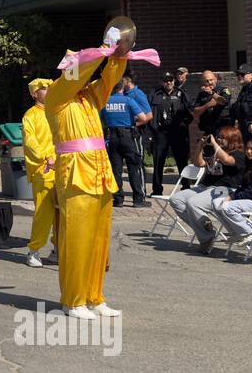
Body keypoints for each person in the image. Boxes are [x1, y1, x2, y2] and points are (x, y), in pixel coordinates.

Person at [45, 24, 154, 320]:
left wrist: (118, 54)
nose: (85, 76)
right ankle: (73, 300)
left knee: (98, 240)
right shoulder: (56, 97)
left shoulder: (90, 97)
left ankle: (95, 296)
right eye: (79, 70)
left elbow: (110, 79)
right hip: (75, 172)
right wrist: (98, 53)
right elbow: (73, 77)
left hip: (99, 172)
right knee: (77, 239)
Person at [168, 125, 246, 250]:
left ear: (233, 139)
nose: (219, 139)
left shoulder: (239, 154)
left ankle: (206, 238)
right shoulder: (214, 152)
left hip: (225, 190)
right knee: (176, 199)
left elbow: (227, 160)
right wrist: (200, 146)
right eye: (218, 137)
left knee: (193, 203)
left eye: (222, 137)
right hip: (205, 187)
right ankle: (205, 226)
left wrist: (215, 144)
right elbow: (198, 163)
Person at [21, 77, 57, 267]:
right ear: (35, 94)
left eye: (50, 87)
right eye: (44, 88)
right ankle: (34, 251)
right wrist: (46, 157)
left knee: (62, 212)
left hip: (61, 168)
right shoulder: (31, 115)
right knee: (44, 212)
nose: (49, 90)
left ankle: (57, 248)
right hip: (43, 170)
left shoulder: (57, 111)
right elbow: (30, 143)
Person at [101, 79, 148, 207]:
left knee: (116, 169)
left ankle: (118, 199)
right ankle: (138, 199)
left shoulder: (105, 101)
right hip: (128, 136)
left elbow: (102, 120)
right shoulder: (128, 100)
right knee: (134, 167)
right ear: (122, 87)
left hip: (112, 137)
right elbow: (143, 118)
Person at [149, 71, 192, 196]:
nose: (169, 82)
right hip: (161, 132)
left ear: (174, 81)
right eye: (166, 80)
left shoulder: (181, 93)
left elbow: (189, 110)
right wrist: (153, 128)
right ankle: (157, 189)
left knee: (181, 160)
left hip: (177, 132)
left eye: (171, 80)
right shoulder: (155, 94)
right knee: (158, 161)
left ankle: (186, 187)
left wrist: (184, 124)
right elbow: (149, 111)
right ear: (161, 82)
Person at [191, 70, 232, 138]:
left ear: (215, 79)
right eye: (206, 81)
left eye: (211, 80)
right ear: (203, 82)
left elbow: (223, 101)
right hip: (208, 129)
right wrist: (207, 105)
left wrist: (212, 93)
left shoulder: (223, 90)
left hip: (222, 129)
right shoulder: (202, 94)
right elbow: (195, 112)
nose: (209, 82)